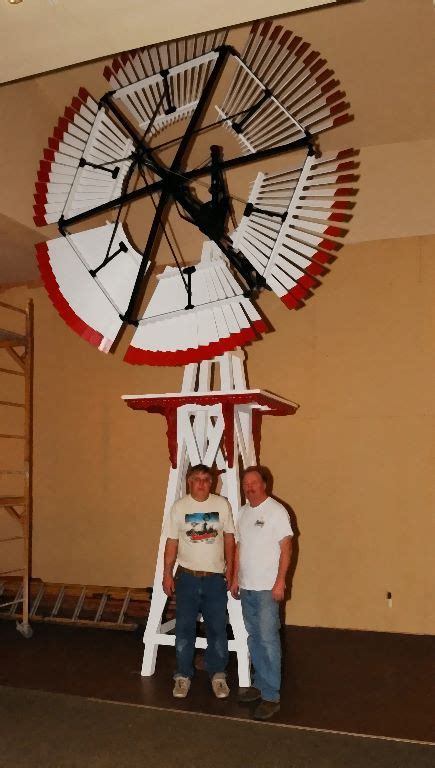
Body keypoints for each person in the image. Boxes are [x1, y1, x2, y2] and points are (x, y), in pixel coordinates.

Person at [163, 463, 235, 699]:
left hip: (215, 580)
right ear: (189, 482)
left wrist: (231, 571)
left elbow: (229, 539)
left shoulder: (221, 505)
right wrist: (166, 573)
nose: (202, 484)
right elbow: (172, 543)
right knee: (184, 630)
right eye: (197, 479)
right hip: (187, 579)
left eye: (206, 479)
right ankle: (183, 675)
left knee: (217, 630)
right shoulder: (179, 507)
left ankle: (218, 675)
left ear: (212, 482)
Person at [231, 466, 293, 721]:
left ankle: (270, 695)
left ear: (264, 484)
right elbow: (239, 547)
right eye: (246, 483)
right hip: (247, 587)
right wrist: (234, 578)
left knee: (268, 641)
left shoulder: (277, 511)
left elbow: (286, 549)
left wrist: (281, 582)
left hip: (268, 589)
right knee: (254, 638)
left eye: (254, 483)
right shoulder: (243, 512)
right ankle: (259, 683)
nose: (249, 487)